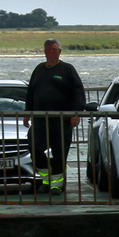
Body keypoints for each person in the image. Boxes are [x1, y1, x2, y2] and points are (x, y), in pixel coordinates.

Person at [24, 38, 86, 194]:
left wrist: (76, 113)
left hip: (61, 121)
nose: (51, 52)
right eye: (48, 50)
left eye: (54, 49)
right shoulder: (38, 70)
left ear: (60, 51)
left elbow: (78, 92)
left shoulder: (67, 69)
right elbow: (31, 92)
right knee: (35, 148)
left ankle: (57, 185)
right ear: (44, 51)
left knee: (59, 153)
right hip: (39, 120)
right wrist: (27, 113)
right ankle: (46, 180)